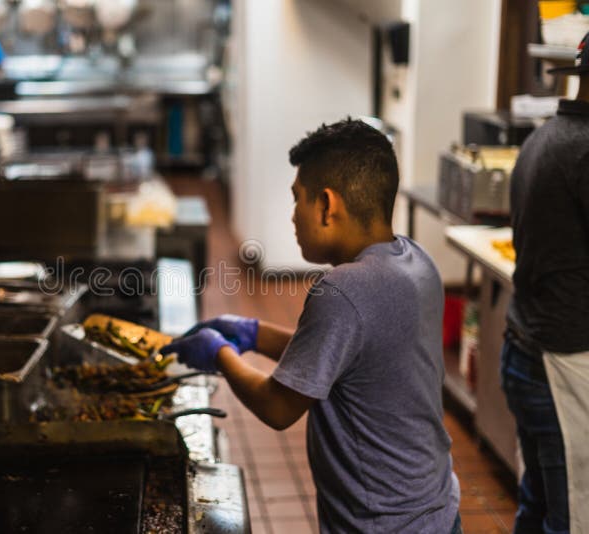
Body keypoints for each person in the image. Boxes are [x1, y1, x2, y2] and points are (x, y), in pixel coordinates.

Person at [161, 119, 461, 533]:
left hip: (382, 524)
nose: (292, 216)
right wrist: (252, 332)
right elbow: (346, 360)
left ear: (326, 205)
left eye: (296, 199)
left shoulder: (341, 291)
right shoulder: (416, 262)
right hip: (436, 508)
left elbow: (278, 406)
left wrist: (220, 354)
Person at [502, 31, 589, 534]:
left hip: (525, 352)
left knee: (536, 506)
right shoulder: (583, 150)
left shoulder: (545, 137)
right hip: (562, 366)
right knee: (571, 519)